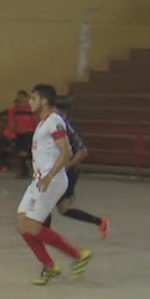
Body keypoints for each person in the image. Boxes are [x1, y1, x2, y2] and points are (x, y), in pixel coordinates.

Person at [15, 84, 92, 285]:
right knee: (22, 224)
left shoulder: (54, 121)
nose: (29, 102)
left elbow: (66, 152)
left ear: (45, 101)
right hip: (39, 180)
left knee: (32, 226)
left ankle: (78, 256)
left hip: (52, 181)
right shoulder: (42, 124)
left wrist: (49, 175)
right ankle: (50, 267)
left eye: (33, 98)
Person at [43, 100, 109, 239]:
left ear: (62, 113)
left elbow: (83, 151)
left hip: (67, 173)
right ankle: (100, 222)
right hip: (63, 171)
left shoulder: (67, 127)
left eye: (54, 111)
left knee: (46, 200)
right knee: (63, 209)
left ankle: (45, 234)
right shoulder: (56, 126)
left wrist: (68, 165)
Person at [11, 90, 38, 178]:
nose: (20, 99)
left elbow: (34, 120)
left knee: (26, 152)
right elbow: (13, 120)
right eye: (19, 97)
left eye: (22, 97)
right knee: (20, 152)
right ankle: (23, 170)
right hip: (19, 132)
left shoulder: (29, 108)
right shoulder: (16, 109)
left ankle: (27, 170)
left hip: (28, 132)